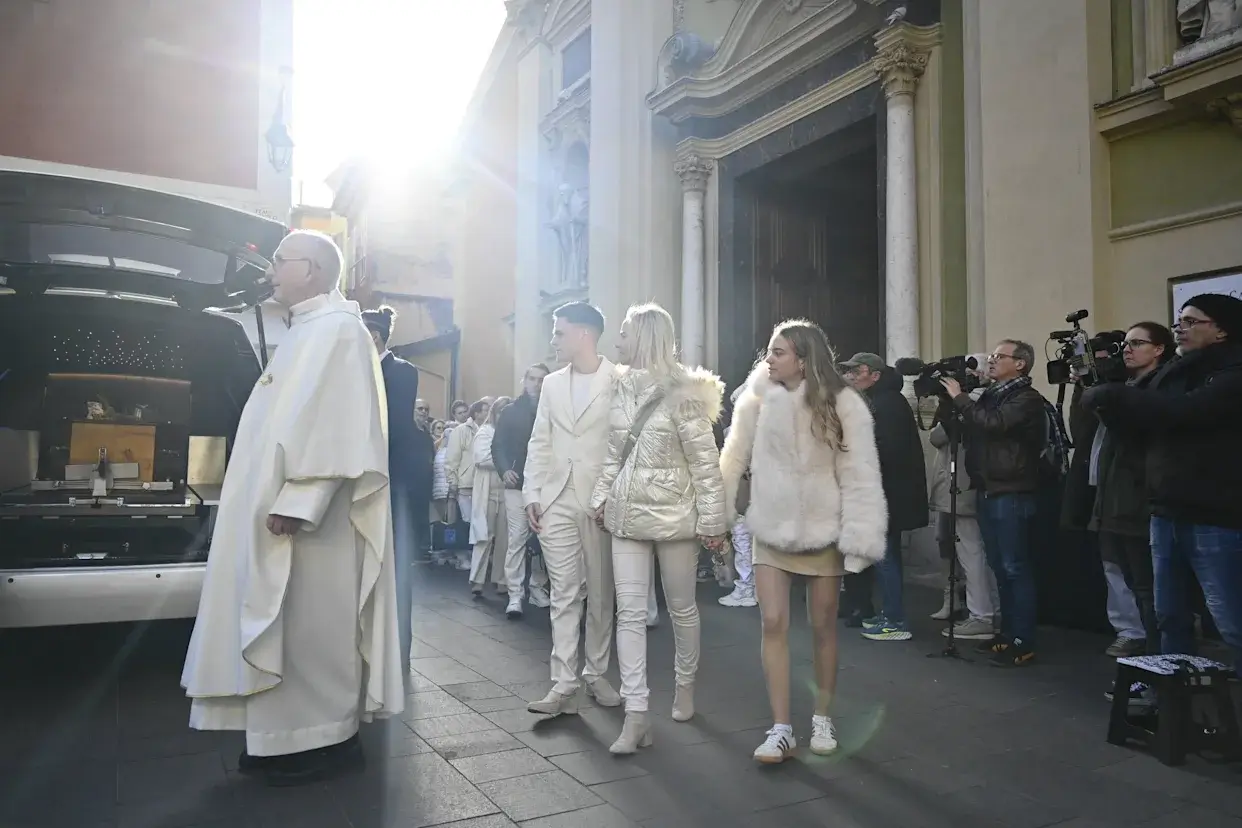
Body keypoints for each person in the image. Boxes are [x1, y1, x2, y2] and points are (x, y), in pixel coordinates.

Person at [181, 229, 403, 786]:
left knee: (310, 630)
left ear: (314, 270)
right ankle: (281, 740)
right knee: (284, 622)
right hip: (277, 509)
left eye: (282, 260)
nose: (272, 269)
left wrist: (303, 498)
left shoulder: (340, 330)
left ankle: (325, 738)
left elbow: (341, 422)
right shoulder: (305, 330)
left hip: (308, 520)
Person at [720, 319, 887, 764]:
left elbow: (860, 472)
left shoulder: (844, 404)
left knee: (822, 627)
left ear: (803, 358)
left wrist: (860, 534)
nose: (768, 359)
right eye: (770, 351)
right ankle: (780, 728)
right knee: (772, 622)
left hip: (823, 528)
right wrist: (717, 511)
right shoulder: (754, 398)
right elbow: (733, 453)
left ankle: (823, 716)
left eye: (778, 352)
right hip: (770, 525)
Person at [589, 304, 726, 754]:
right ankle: (636, 714)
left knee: (682, 609)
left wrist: (712, 521)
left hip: (673, 517)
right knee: (629, 613)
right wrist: (600, 497)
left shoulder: (683, 392)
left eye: (624, 333)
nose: (617, 341)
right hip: (627, 514)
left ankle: (685, 687)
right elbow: (614, 453)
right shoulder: (621, 386)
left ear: (645, 336)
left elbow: (706, 464)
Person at [1084, 295, 1242, 666]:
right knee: (1168, 615)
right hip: (1165, 508)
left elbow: (1182, 413)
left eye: (1191, 322)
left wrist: (1115, 395)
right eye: (1179, 323)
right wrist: (1107, 403)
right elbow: (1140, 430)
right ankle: (1172, 699)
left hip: (1215, 514)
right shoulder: (1174, 373)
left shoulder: (1233, 373)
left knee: (1231, 620)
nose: (1181, 329)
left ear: (1221, 329)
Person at [523, 301, 621, 715]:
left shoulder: (618, 380)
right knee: (564, 592)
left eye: (559, 332)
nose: (553, 339)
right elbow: (539, 439)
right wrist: (532, 492)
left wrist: (608, 494)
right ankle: (563, 684)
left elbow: (623, 443)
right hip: (555, 496)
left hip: (600, 500)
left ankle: (596, 674)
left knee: (600, 593)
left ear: (584, 334)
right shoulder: (551, 384)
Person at [941, 339, 1048, 667]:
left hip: (1012, 489)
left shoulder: (1026, 399)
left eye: (1000, 357)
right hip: (989, 487)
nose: (991, 361)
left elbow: (994, 424)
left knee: (1015, 567)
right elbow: (968, 428)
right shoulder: (991, 394)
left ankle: (1023, 639)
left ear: (1020, 364)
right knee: (1001, 567)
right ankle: (1006, 633)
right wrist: (956, 401)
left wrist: (960, 397)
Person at [362, 305, 433, 680]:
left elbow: (388, 423)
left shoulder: (401, 371)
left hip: (393, 486)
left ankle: (398, 652)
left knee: (394, 573)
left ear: (374, 338)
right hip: (373, 481)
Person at [839, 353, 929, 642]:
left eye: (857, 371)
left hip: (889, 494)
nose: (852, 376)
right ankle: (890, 613)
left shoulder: (888, 404)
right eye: (850, 371)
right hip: (887, 492)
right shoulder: (883, 400)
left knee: (887, 557)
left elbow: (885, 451)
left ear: (875, 374)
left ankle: (895, 620)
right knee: (885, 556)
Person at [927, 360, 999, 640]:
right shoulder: (978, 400)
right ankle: (983, 610)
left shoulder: (977, 402)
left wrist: (957, 399)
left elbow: (939, 436)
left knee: (972, 552)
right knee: (966, 549)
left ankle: (982, 614)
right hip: (961, 487)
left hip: (965, 487)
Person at [492, 363, 552, 618]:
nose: (537, 384)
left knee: (545, 541)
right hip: (516, 485)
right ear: (524, 380)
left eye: (541, 379)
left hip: (546, 486)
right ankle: (515, 594)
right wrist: (505, 469)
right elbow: (498, 445)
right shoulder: (510, 411)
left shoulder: (552, 409)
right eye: (533, 379)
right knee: (517, 539)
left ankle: (537, 586)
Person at [468, 396, 512, 597]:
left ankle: (501, 579)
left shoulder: (510, 433)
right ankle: (477, 579)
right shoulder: (486, 432)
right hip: (487, 491)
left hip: (506, 491)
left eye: (507, 411)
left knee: (505, 538)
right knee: (483, 536)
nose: (503, 414)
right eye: (500, 410)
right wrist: (507, 462)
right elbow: (481, 459)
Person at [445, 400, 488, 570]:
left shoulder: (489, 431)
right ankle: (463, 556)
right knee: (466, 522)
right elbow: (451, 459)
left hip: (484, 484)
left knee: (480, 524)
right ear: (476, 413)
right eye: (485, 410)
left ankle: (476, 558)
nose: (488, 413)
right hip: (466, 484)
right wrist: (453, 480)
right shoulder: (461, 431)